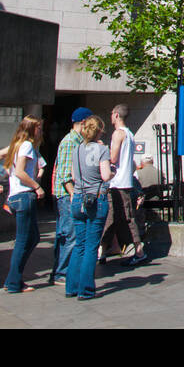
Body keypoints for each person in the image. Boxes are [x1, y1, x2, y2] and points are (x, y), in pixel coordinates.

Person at [0, 116, 46, 293]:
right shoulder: (27, 145)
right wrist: (37, 186)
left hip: (16, 196)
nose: (41, 131)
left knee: (32, 237)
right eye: (40, 128)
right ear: (33, 129)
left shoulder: (17, 145)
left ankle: (14, 278)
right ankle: (13, 281)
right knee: (23, 240)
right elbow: (20, 172)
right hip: (23, 196)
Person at [66, 115, 114, 300]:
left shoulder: (77, 149)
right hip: (95, 198)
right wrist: (112, 172)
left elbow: (73, 175)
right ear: (99, 130)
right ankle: (86, 289)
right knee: (91, 246)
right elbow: (105, 175)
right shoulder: (102, 150)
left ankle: (71, 286)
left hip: (78, 197)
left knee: (80, 244)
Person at [50, 107, 94, 286]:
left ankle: (60, 270)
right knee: (72, 234)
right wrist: (72, 194)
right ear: (83, 123)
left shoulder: (78, 141)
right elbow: (65, 173)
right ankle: (61, 273)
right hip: (66, 196)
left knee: (65, 234)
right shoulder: (70, 142)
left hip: (68, 195)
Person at [106, 104, 146, 267]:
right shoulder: (129, 134)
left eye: (111, 114)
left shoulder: (118, 134)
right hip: (125, 182)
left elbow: (113, 158)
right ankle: (106, 248)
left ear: (116, 115)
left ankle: (139, 251)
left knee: (119, 218)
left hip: (117, 183)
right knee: (119, 217)